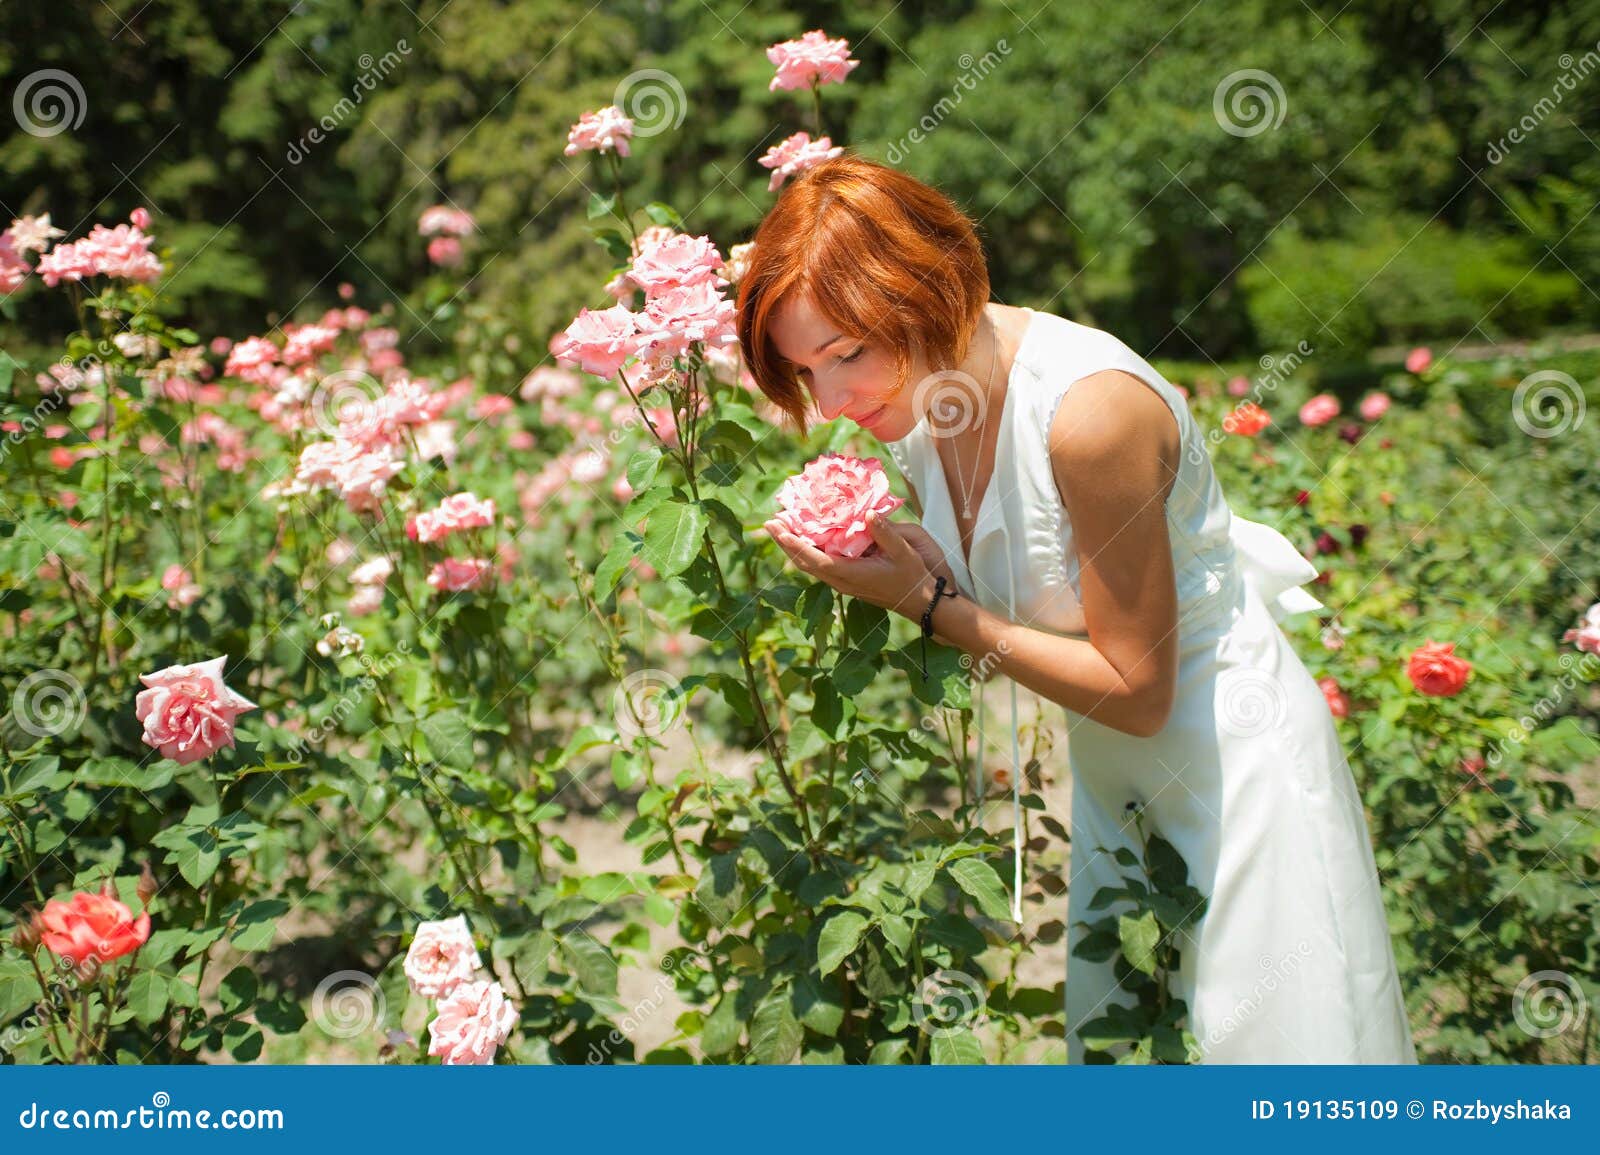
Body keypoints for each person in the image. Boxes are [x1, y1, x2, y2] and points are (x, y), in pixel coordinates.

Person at [737, 152, 1417, 1064]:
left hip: (1230, 766)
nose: (829, 400)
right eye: (804, 370)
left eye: (846, 355)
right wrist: (926, 562)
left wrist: (929, 605)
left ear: (928, 290)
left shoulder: (1089, 414)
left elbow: (1138, 687)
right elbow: (1038, 591)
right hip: (1113, 772)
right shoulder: (922, 398)